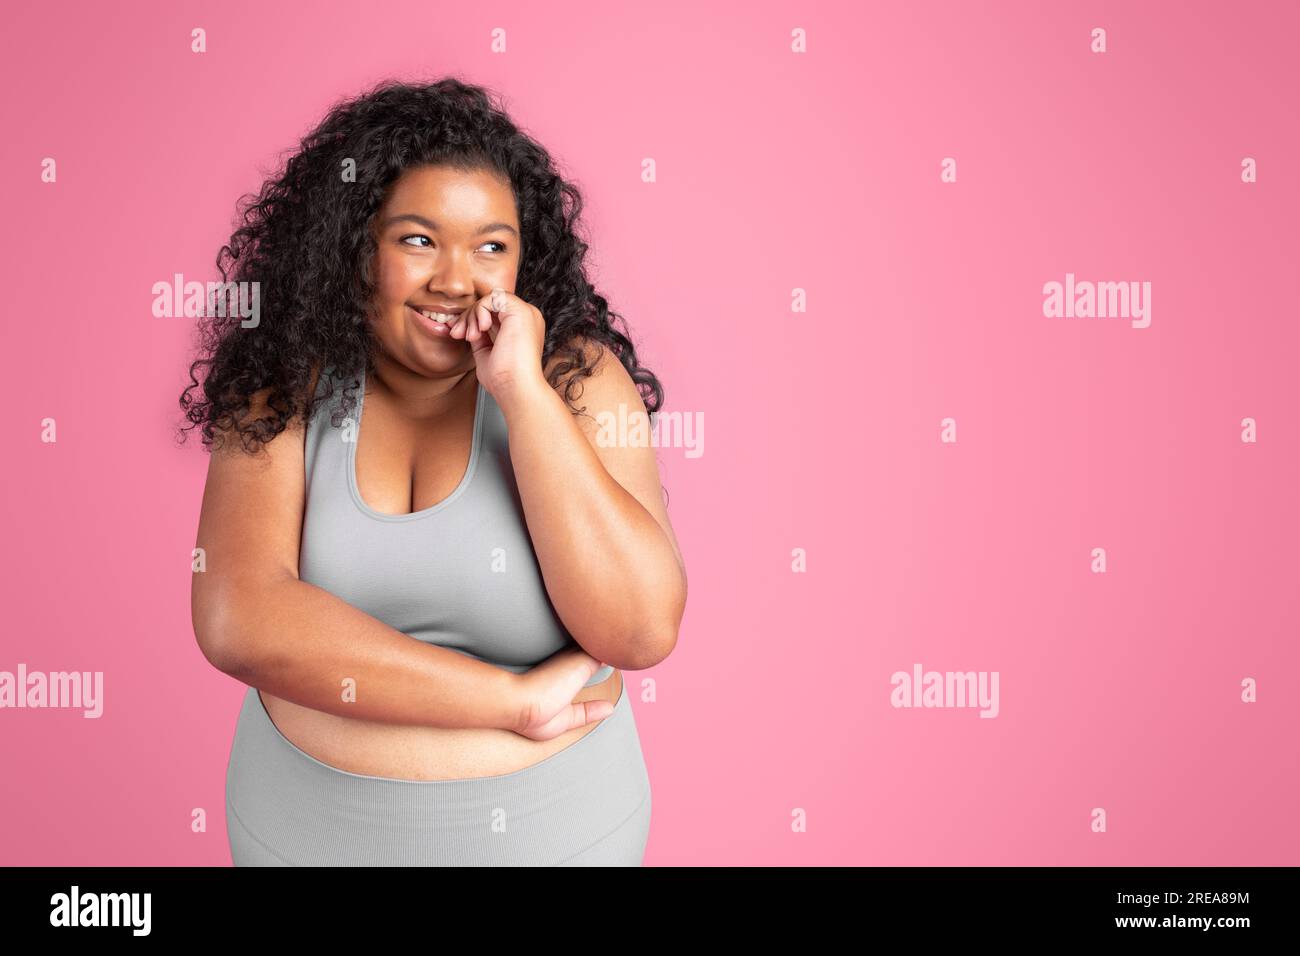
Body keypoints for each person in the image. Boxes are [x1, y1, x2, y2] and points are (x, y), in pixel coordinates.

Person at [180, 77, 687, 866]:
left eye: (492, 246)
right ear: (356, 246)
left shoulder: (572, 380)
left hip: (555, 835)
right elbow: (239, 618)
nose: (458, 279)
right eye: (418, 240)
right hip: (306, 837)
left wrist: (521, 396)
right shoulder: (285, 383)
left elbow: (639, 626)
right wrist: (505, 701)